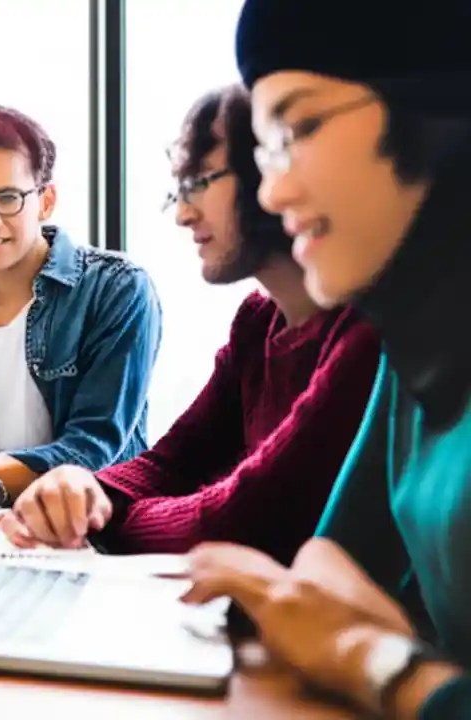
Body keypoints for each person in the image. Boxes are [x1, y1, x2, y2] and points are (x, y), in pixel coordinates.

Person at [183, 2, 471, 718]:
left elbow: (337, 616)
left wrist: (379, 663)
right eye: (265, 147)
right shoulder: (411, 347)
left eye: (300, 127)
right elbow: (328, 563)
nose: (273, 189)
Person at [0, 86, 380, 562]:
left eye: (198, 182)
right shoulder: (258, 323)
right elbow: (172, 462)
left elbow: (243, 521)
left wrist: (104, 520)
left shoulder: (364, 330)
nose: (182, 214)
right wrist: (84, 489)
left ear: (271, 167)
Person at [0, 105, 162, 507]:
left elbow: (92, 446)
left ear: (46, 200)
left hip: (102, 530)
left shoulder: (117, 288)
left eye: (7, 198)